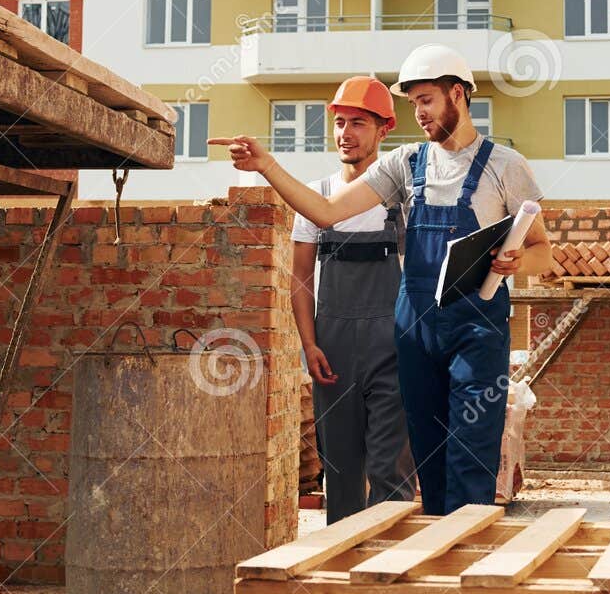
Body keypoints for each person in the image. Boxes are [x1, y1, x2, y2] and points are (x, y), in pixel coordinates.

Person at [213, 44, 553, 513]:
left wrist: (518, 264)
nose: (420, 114)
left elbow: (543, 252)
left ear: (458, 94)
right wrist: (267, 166)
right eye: (412, 103)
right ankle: (433, 560)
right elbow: (327, 211)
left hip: (476, 328)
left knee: (470, 450)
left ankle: (469, 560)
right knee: (427, 458)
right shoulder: (406, 164)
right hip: (416, 331)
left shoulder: (505, 167)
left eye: (427, 101)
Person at [289, 76, 415, 523]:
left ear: (384, 130)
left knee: (390, 467)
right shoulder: (316, 196)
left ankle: (389, 569)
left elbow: (421, 273)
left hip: (391, 344)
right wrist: (309, 345)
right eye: (340, 122)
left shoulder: (401, 201)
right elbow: (300, 278)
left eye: (358, 123)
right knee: (339, 470)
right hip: (333, 346)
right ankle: (339, 572)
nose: (346, 133)